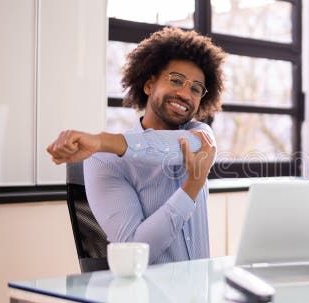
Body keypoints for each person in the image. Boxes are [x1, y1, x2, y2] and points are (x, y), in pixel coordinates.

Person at [46, 27, 226, 264]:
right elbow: (136, 250)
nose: (185, 93)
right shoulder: (104, 159)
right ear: (149, 85)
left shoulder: (200, 136)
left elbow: (174, 147)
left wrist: (101, 141)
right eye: (176, 80)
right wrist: (190, 188)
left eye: (195, 89)